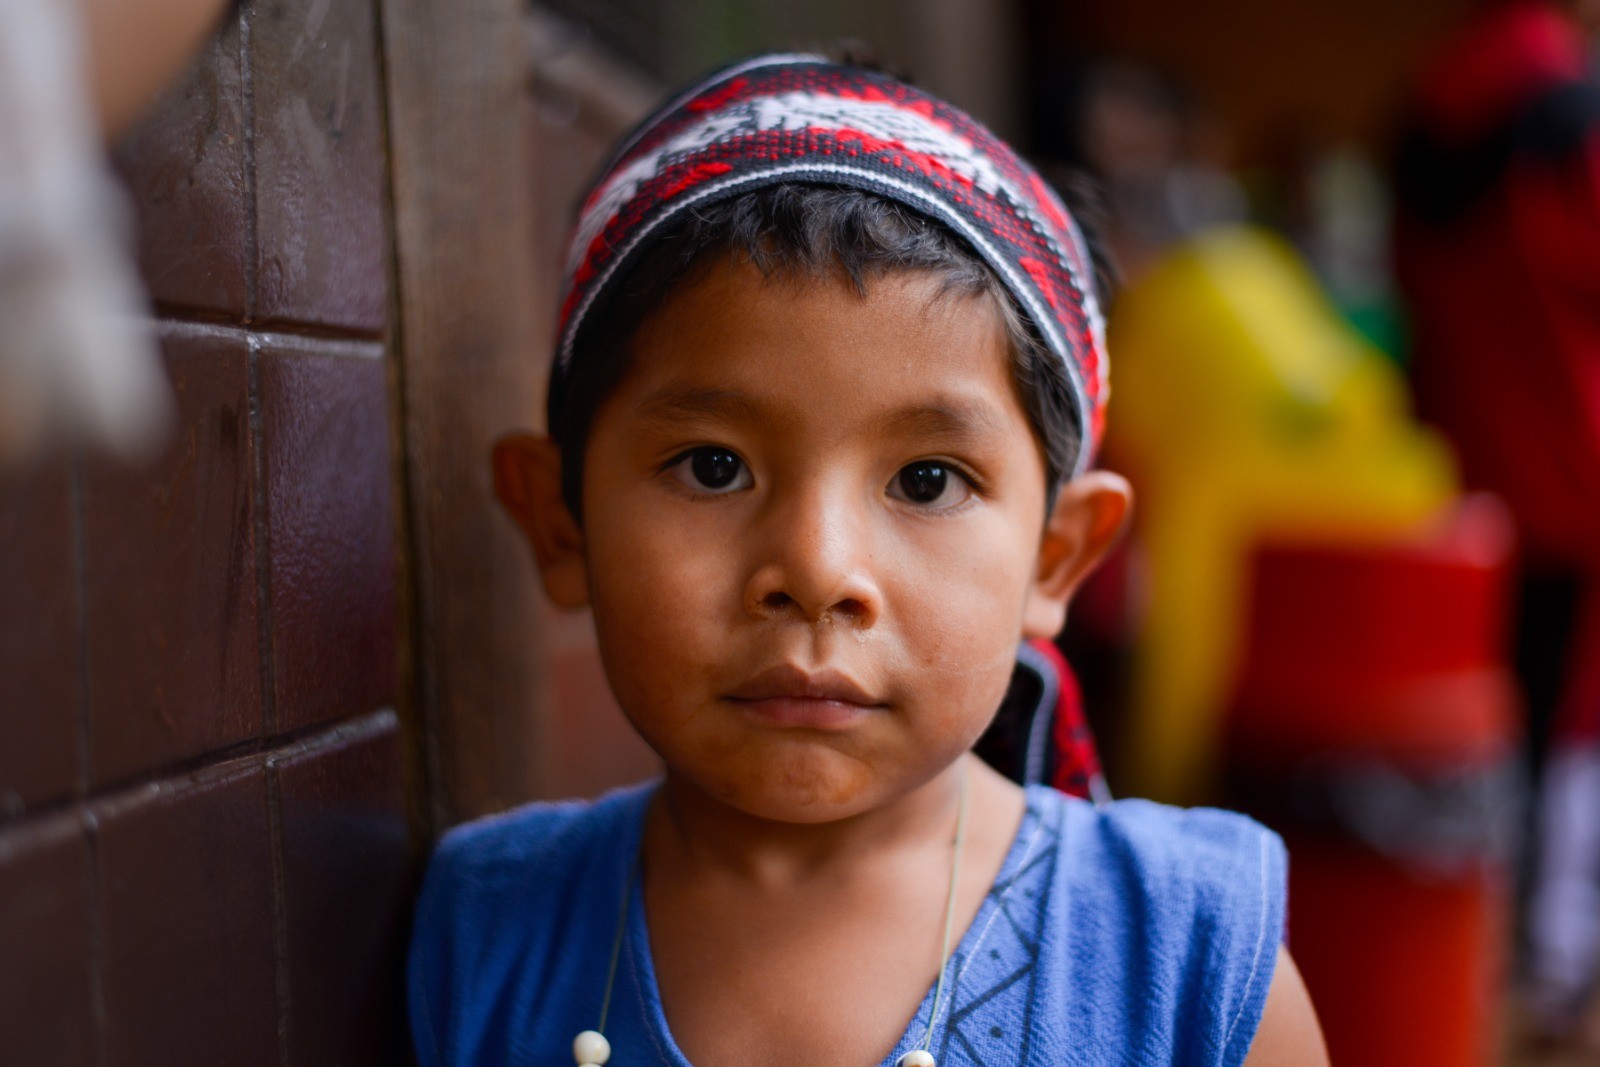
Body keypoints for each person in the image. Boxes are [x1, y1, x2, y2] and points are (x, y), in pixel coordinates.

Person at [407, 54, 1328, 1066]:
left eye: (926, 481)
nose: (816, 567)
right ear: (561, 525)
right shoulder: (482, 929)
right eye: (714, 467)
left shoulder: (1191, 957)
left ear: (1054, 560)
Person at [1393, 0, 1600, 1039]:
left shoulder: (1425, 113)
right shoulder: (1575, 113)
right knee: (1567, 729)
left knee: (1490, 724)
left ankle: (1485, 955)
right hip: (1578, 469)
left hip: (1466, 474)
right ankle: (1552, 970)